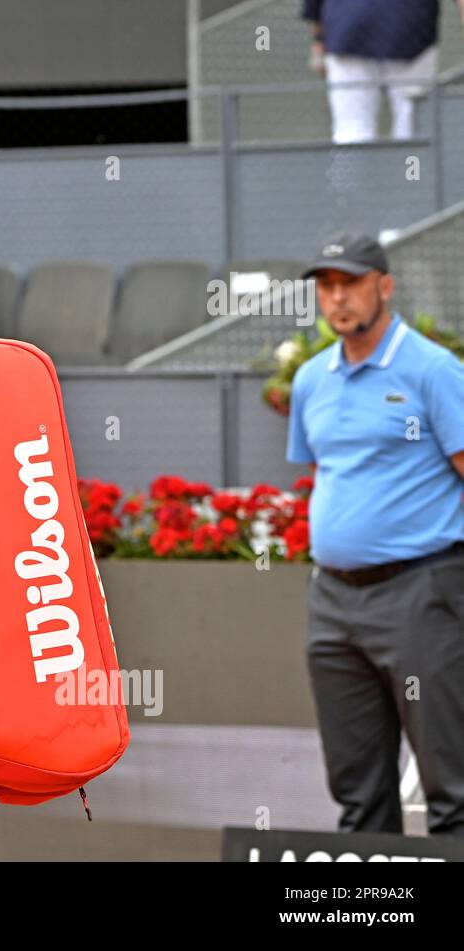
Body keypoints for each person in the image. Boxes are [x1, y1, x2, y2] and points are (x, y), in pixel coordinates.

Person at [287, 232, 464, 837]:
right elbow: (328, 471)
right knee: (357, 791)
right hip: (332, 603)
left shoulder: (434, 370)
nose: (338, 298)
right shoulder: (311, 379)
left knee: (453, 786)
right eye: (326, 286)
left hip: (422, 593)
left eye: (351, 283)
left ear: (384, 287)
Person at [302, 0, 464, 143]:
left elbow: (312, 7)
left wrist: (318, 40)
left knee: (352, 129)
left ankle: (352, 176)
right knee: (412, 126)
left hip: (346, 28)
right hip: (408, 28)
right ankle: (412, 176)